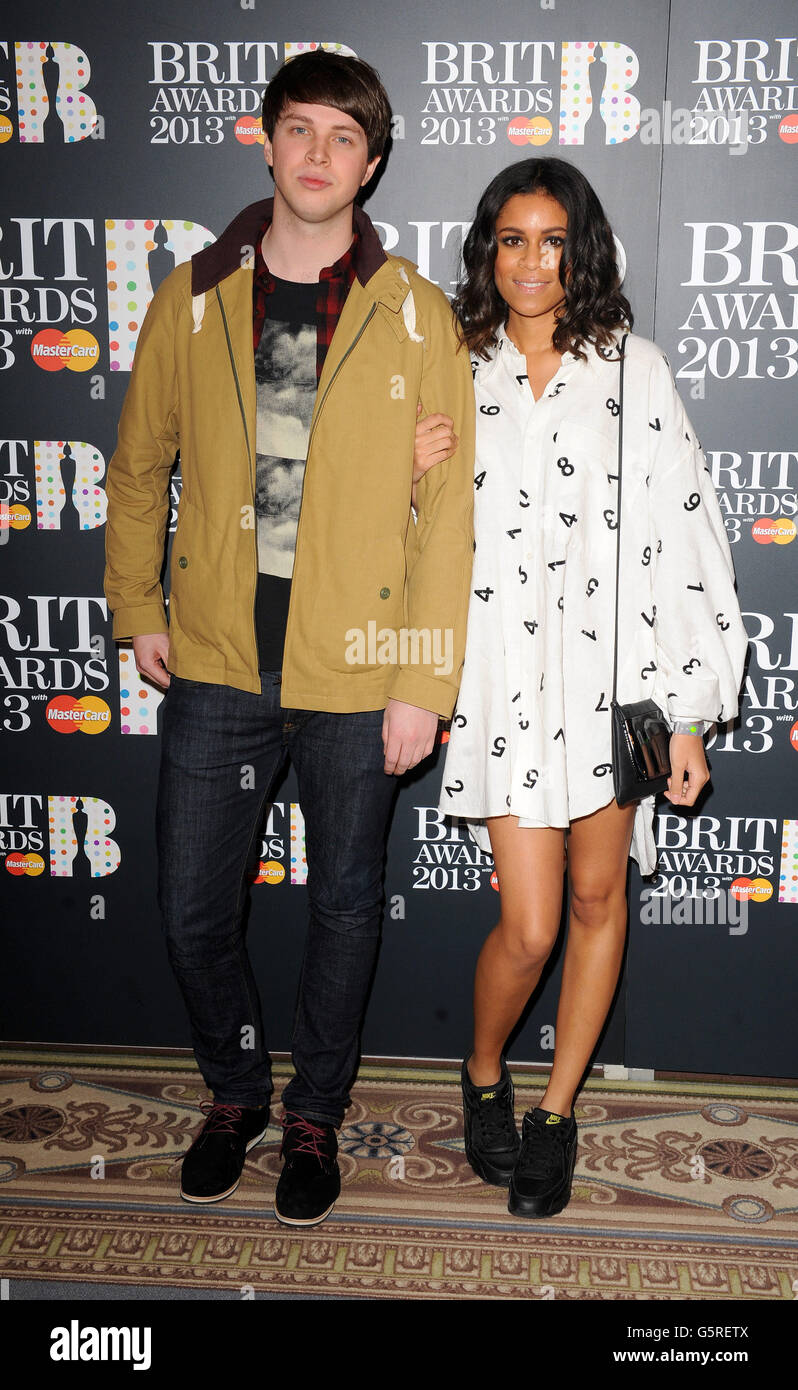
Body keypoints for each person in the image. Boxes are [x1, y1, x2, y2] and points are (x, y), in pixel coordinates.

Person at [104, 50, 474, 1227]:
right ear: (264, 142)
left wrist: (423, 680)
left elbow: (448, 514)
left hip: (359, 669)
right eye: (299, 130)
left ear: (373, 162)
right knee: (192, 910)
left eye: (344, 138)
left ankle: (315, 1109)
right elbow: (137, 467)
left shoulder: (415, 312)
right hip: (217, 658)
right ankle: (235, 1090)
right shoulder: (195, 292)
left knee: (346, 903)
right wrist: (135, 605)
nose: (318, 155)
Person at [413, 157, 747, 1219]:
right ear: (486, 251)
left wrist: (690, 709)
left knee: (601, 899)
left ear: (583, 249)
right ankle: (481, 1070)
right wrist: (408, 467)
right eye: (511, 239)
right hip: (503, 681)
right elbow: (394, 529)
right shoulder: (449, 368)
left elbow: (688, 535)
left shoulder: (632, 369)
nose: (531, 261)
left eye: (552, 239)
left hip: (617, 685)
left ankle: (555, 1112)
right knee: (530, 926)